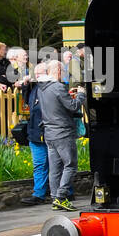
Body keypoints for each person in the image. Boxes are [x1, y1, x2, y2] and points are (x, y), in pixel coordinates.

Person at [37, 60, 86, 211]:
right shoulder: (58, 87)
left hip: (49, 132)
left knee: (55, 168)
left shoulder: (42, 88)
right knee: (70, 165)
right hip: (63, 132)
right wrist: (81, 96)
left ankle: (54, 198)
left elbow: (56, 104)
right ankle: (61, 196)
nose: (64, 73)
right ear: (58, 70)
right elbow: (73, 107)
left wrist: (68, 95)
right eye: (63, 70)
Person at [14, 49, 48, 206]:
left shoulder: (52, 89)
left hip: (49, 132)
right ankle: (39, 193)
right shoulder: (33, 90)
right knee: (39, 164)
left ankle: (63, 192)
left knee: (56, 165)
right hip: (35, 132)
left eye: (40, 73)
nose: (37, 76)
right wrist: (25, 85)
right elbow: (27, 103)